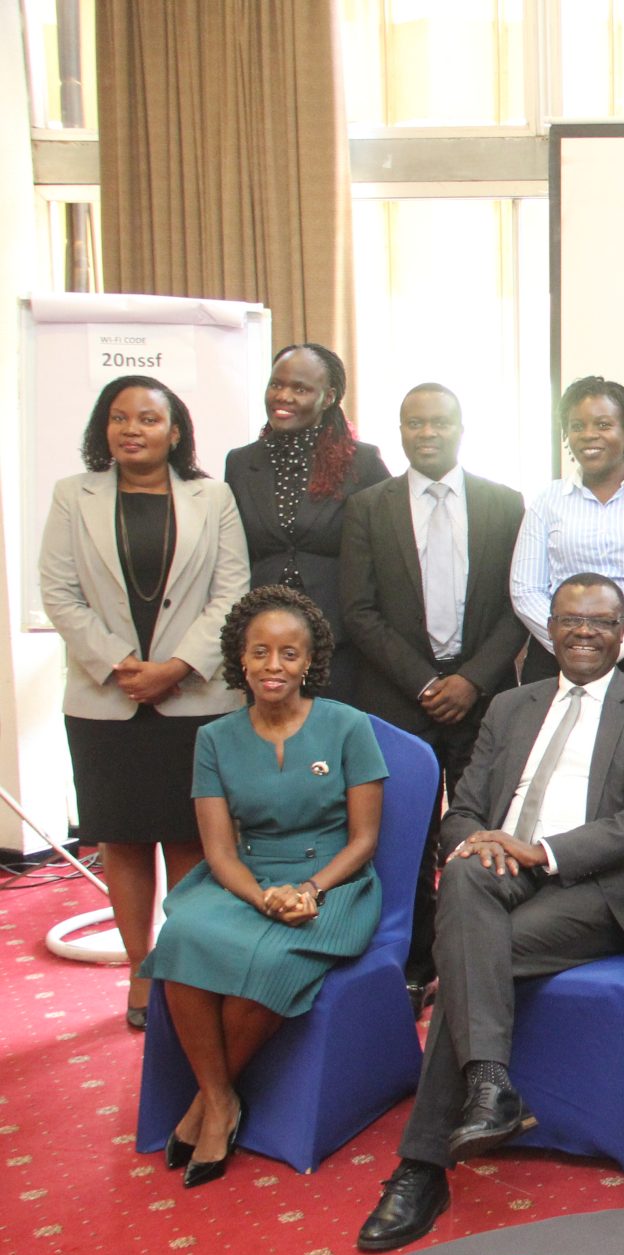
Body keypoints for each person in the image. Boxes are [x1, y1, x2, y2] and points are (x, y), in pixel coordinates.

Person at [356, 573, 624, 1253]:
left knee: (467, 950)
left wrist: (538, 851)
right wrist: (478, 843)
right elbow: (464, 814)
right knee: (466, 881)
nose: (584, 632)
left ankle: (421, 1165)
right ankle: (488, 1086)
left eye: (601, 621)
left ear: (623, 631)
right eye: (571, 618)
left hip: (601, 888)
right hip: (499, 873)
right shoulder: (512, 706)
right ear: (549, 627)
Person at [140, 586, 386, 1188]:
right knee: (184, 937)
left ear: (310, 663)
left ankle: (207, 1107)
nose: (274, 666)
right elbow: (218, 851)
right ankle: (219, 1100)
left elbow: (363, 841)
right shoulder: (214, 738)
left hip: (334, 881)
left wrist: (308, 889)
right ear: (241, 659)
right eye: (260, 652)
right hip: (246, 878)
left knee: (269, 960)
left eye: (289, 654)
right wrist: (261, 896)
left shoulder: (349, 726)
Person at [41, 375, 251, 1029]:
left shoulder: (210, 495)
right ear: (104, 428)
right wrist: (119, 663)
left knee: (192, 836)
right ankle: (140, 968)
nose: (133, 428)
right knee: (124, 838)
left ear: (175, 430)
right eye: (120, 417)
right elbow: (58, 589)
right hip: (106, 699)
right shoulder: (72, 495)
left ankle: (186, 962)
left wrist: (177, 665)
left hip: (193, 697)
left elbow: (231, 588)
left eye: (148, 419)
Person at [340, 383, 527, 1014]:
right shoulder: (369, 507)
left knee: (480, 833)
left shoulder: (505, 504)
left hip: (484, 699)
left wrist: (471, 679)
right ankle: (415, 962)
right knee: (407, 838)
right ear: (399, 431)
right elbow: (359, 612)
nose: (427, 433)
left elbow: (516, 605)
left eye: (438, 422)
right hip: (399, 701)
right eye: (414, 423)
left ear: (460, 427)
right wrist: (424, 683)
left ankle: (476, 960)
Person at [223, 343, 392, 700]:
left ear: (328, 396)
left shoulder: (362, 463)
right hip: (263, 647)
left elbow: (388, 554)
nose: (283, 396)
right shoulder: (240, 463)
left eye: (300, 388)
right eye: (276, 385)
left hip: (340, 646)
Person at [511, 376, 624, 695]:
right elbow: (525, 589)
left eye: (602, 424)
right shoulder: (546, 502)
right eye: (577, 425)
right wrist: (569, 640)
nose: (588, 435)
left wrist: (620, 642)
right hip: (561, 652)